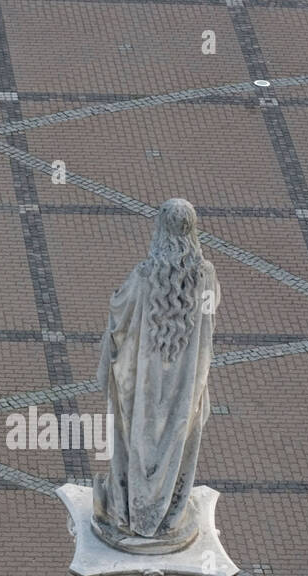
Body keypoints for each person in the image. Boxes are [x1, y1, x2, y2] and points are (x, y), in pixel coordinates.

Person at [92, 198, 218, 551]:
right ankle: (167, 514)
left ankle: (130, 509)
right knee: (177, 441)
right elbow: (207, 328)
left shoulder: (145, 277)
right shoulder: (205, 276)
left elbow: (119, 318)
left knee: (136, 438)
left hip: (143, 383)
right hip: (185, 383)